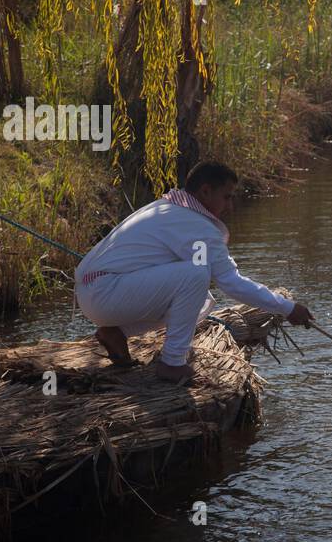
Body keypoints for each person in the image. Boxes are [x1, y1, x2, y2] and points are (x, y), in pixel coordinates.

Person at [75, 160, 311, 383]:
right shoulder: (195, 223)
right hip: (106, 292)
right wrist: (287, 308)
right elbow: (230, 282)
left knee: (202, 301)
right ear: (206, 191)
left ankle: (117, 332)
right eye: (227, 197)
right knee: (197, 273)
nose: (230, 206)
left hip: (93, 291)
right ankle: (172, 362)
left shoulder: (167, 207)